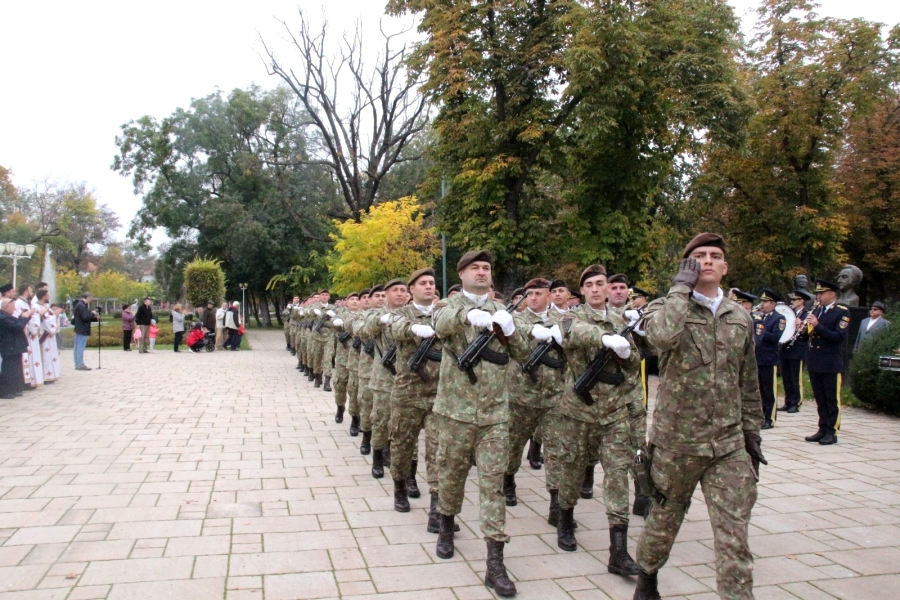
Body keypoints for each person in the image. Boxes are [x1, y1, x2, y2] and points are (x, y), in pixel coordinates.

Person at [634, 233, 765, 600]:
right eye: (698, 257)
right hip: (677, 443)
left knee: (734, 536)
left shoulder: (740, 316)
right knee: (663, 522)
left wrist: (751, 433)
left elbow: (748, 380)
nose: (707, 261)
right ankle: (646, 578)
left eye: (715, 256)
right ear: (686, 266)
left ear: (725, 267)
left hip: (727, 445)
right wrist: (680, 288)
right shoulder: (666, 306)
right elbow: (660, 338)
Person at [432, 249, 526, 597]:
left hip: (495, 416)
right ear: (462, 274)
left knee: (493, 486)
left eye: (487, 267)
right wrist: (470, 315)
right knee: (452, 476)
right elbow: (440, 325)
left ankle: (495, 562)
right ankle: (445, 525)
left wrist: (512, 332)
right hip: (455, 413)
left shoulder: (503, 311)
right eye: (476, 267)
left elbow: (526, 354)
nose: (483, 272)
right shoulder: (448, 306)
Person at [388, 268, 445, 519]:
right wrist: (414, 329)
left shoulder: (443, 314)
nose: (429, 287)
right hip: (407, 394)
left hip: (438, 394)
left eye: (431, 283)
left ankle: (436, 506)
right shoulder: (401, 313)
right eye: (423, 283)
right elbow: (397, 328)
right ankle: (400, 487)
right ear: (412, 289)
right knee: (401, 446)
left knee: (438, 450)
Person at [365, 280, 407, 479]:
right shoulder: (377, 313)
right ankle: (378, 457)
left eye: (403, 290)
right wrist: (383, 319)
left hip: (407, 378)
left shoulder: (412, 314)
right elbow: (367, 328)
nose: (400, 294)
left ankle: (392, 453)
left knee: (400, 423)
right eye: (395, 291)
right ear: (387, 294)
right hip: (383, 378)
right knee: (381, 420)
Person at [801, 279, 850, 446]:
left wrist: (817, 325)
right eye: (817, 294)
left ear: (831, 294)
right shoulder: (818, 311)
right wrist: (802, 328)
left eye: (821, 293)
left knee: (831, 399)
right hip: (816, 361)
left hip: (830, 362)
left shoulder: (841, 312)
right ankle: (822, 428)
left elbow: (838, 337)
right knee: (820, 399)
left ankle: (832, 431)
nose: (818, 296)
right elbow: (809, 335)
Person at [755, 289, 786, 429]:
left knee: (769, 390)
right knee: (760, 390)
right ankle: (761, 416)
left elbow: (775, 338)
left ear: (773, 304)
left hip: (769, 359)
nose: (762, 304)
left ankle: (770, 418)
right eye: (762, 301)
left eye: (765, 301)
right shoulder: (760, 317)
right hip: (758, 358)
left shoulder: (779, 318)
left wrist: (761, 331)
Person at [778, 290, 812, 413]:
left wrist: (801, 324)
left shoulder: (807, 314)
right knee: (786, 377)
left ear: (801, 301)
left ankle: (796, 402)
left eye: (794, 300)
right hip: (785, 347)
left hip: (798, 348)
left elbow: (808, 333)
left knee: (795, 377)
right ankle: (788, 401)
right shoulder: (789, 313)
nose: (792, 302)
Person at [0, 298, 30, 398]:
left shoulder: (8, 316)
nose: (14, 308)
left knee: (16, 369)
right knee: (9, 369)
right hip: (9, 347)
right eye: (13, 306)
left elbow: (17, 323)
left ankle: (14, 389)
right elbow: (17, 327)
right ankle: (6, 391)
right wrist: (24, 318)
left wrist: (25, 316)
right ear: (6, 306)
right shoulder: (3, 317)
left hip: (14, 346)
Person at [38, 292, 60, 384]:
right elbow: (46, 321)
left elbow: (50, 317)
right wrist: (55, 315)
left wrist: (54, 315)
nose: (49, 297)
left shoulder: (46, 306)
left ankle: (52, 375)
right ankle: (46, 376)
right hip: (45, 335)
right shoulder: (38, 306)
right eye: (47, 295)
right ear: (43, 296)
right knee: (46, 356)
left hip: (50, 335)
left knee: (52, 355)